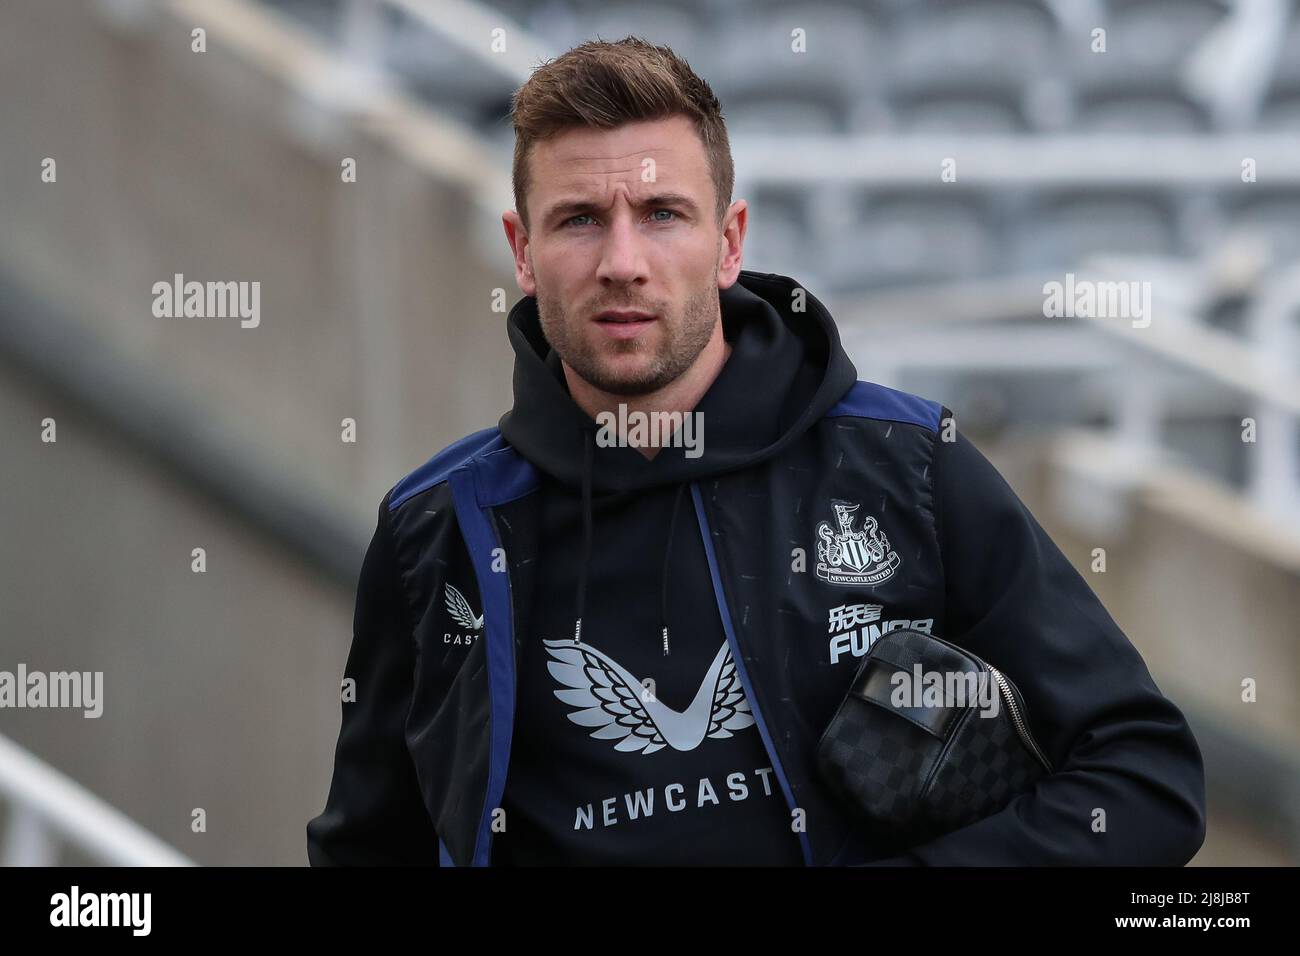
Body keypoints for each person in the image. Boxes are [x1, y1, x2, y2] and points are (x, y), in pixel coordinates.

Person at [306, 36, 1205, 866]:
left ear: (728, 242)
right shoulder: (437, 533)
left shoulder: (906, 466)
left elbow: (1144, 779)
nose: (623, 260)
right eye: (580, 219)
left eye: (662, 214)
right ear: (523, 250)